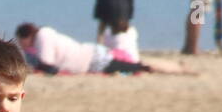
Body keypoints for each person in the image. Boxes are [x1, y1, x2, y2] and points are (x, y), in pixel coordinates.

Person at [14, 23, 193, 76]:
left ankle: (178, 69)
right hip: (92, 55)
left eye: (21, 42)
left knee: (139, 67)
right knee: (137, 65)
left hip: (93, 60)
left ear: (26, 37)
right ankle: (177, 67)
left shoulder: (43, 38)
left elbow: (49, 65)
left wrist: (34, 65)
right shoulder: (46, 35)